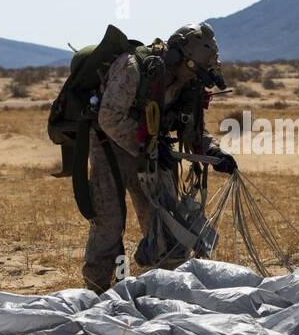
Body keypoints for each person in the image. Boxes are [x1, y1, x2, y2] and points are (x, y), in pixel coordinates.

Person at [82, 23, 237, 292]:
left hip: (154, 150)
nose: (192, 77)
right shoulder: (132, 68)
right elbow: (109, 117)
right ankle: (98, 290)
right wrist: (145, 143)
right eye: (190, 69)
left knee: (165, 221)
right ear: (177, 57)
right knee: (109, 222)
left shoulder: (190, 84)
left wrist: (213, 152)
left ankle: (166, 287)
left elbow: (193, 128)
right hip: (110, 145)